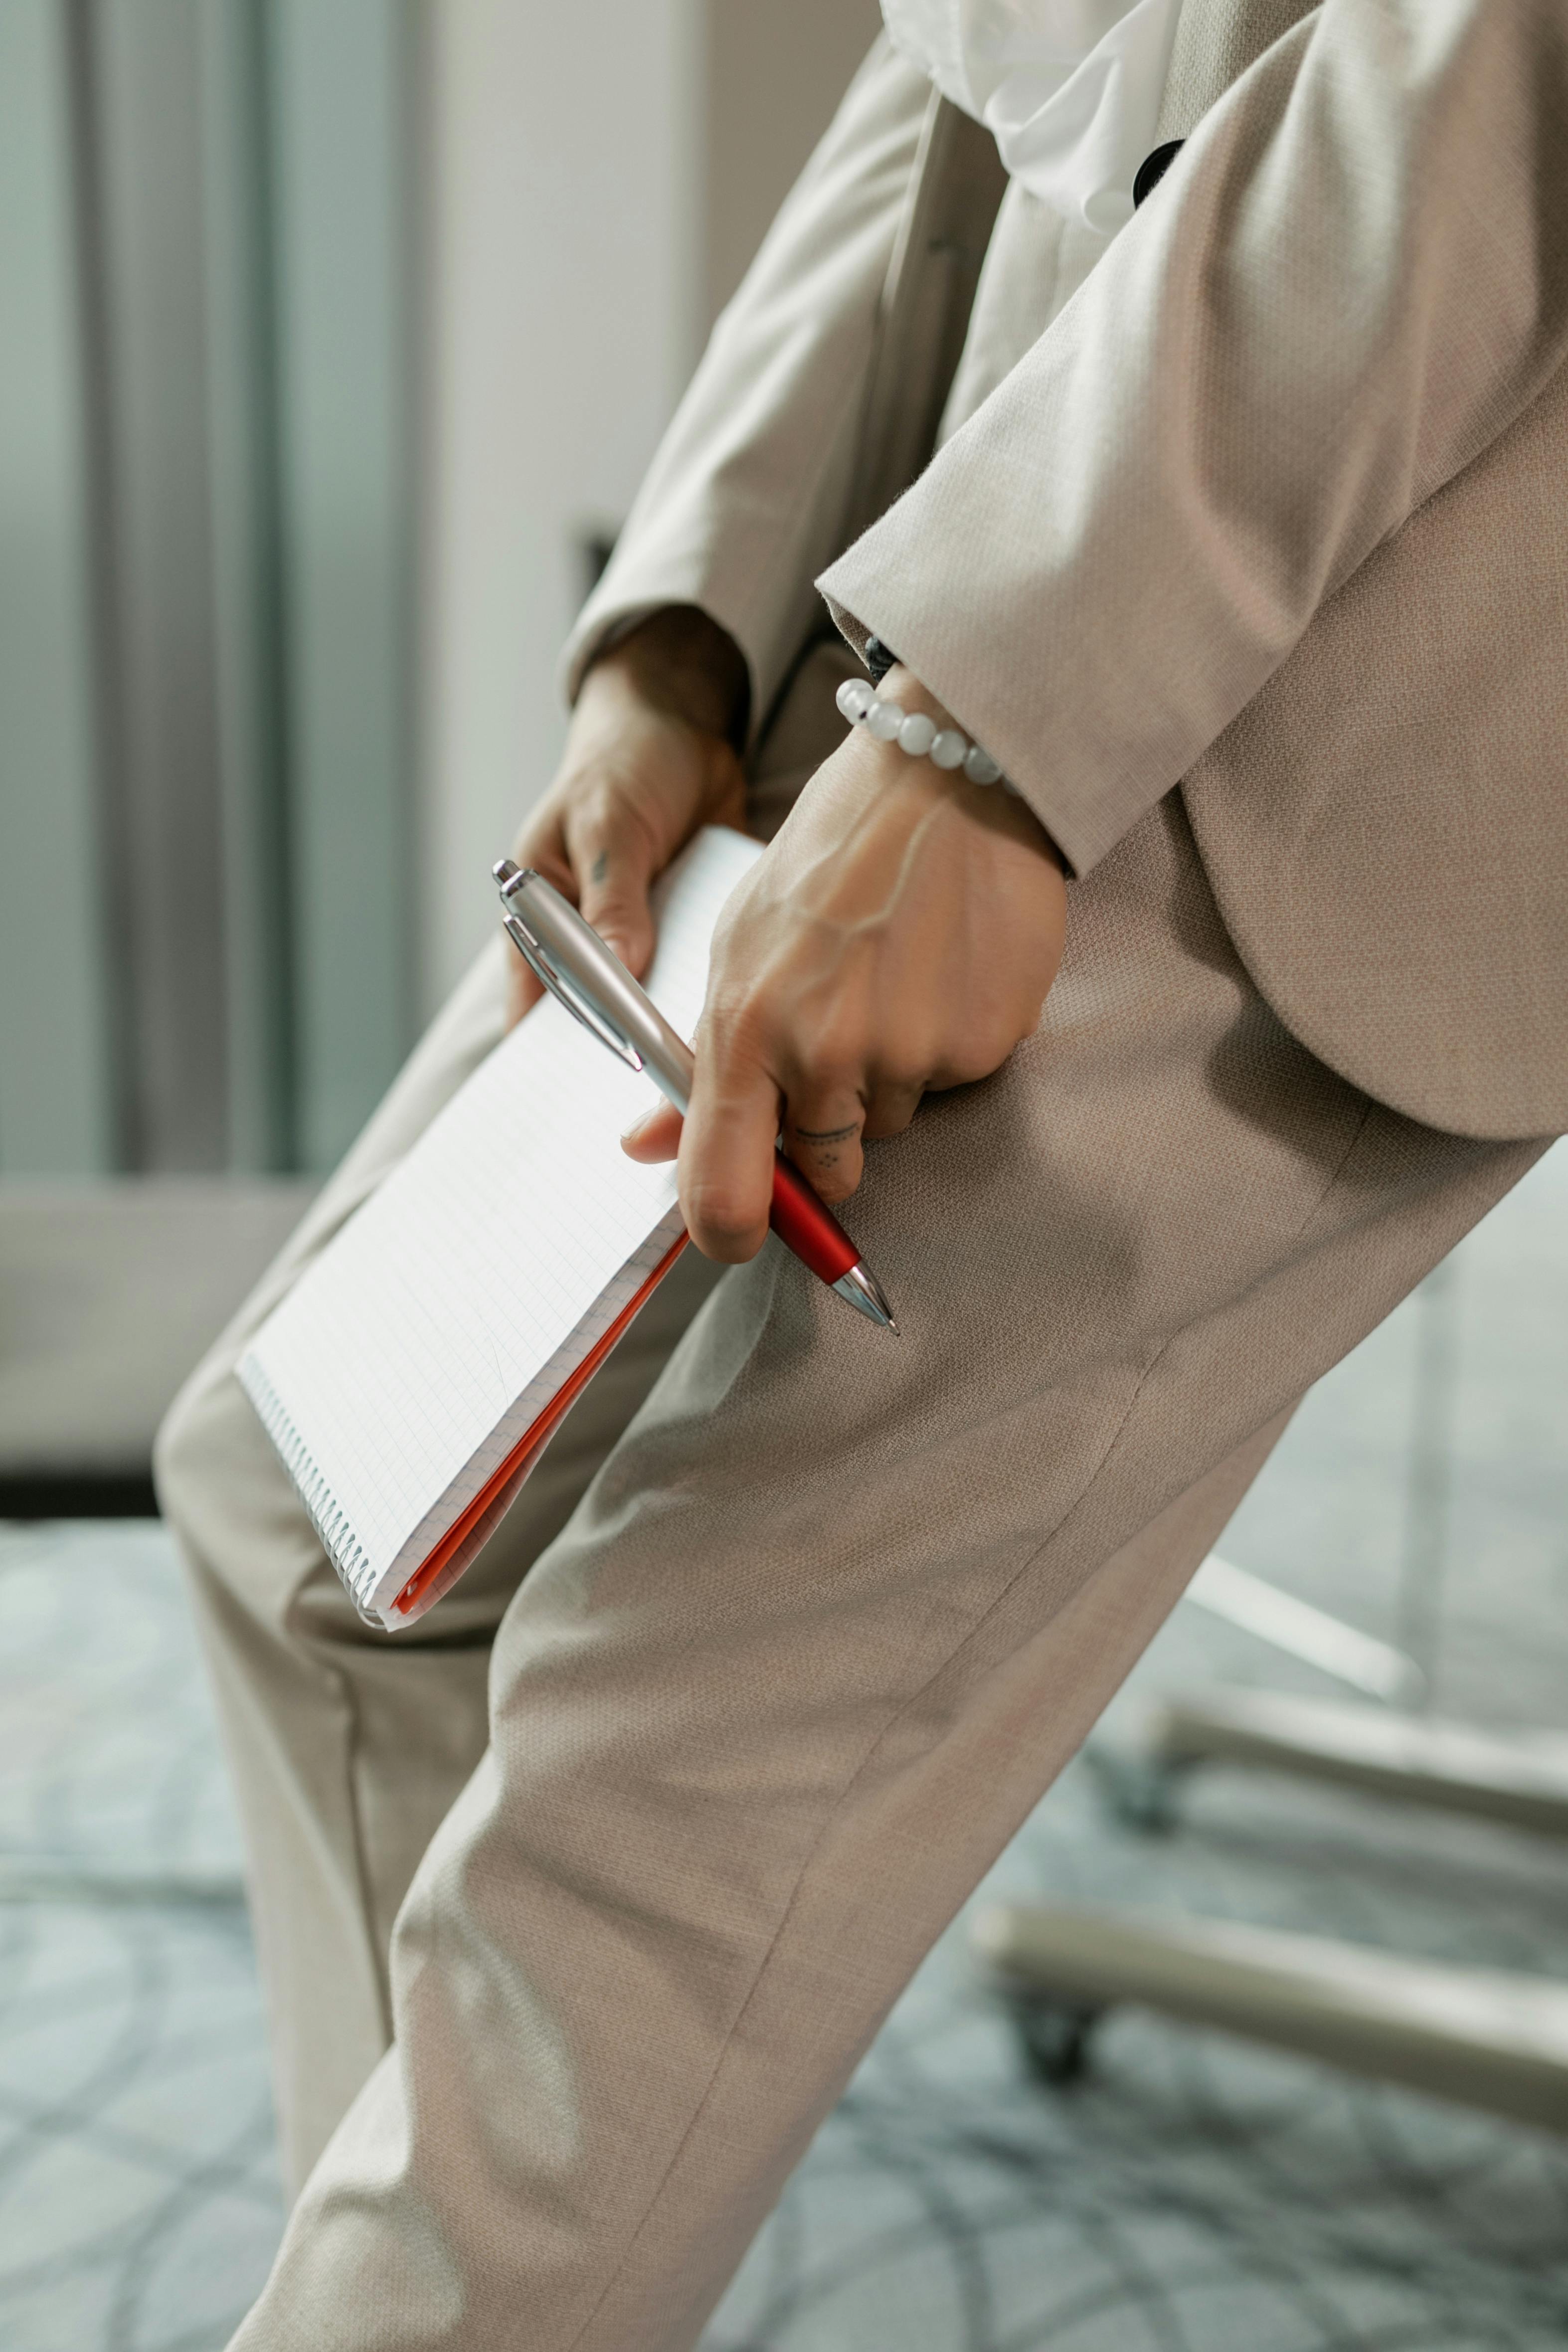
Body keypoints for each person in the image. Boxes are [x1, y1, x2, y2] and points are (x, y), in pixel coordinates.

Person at [156, 2, 1567, 2345]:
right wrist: (683, 624)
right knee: (313, 1518)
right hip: (963, 490)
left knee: (637, 1822)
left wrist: (1002, 732)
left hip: (1333, 565)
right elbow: (951, 52)